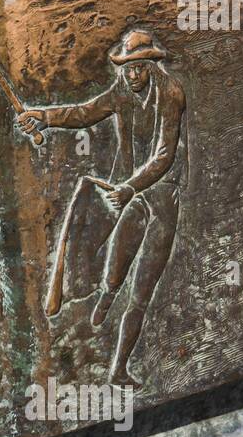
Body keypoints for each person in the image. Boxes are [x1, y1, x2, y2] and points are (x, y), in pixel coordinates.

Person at [18, 27, 187, 385]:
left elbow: (164, 155)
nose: (133, 75)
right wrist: (43, 117)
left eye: (140, 67)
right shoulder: (123, 91)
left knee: (142, 289)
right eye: (128, 68)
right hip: (131, 194)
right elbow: (85, 112)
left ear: (152, 65)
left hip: (161, 195)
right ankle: (108, 294)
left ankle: (119, 368)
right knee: (115, 267)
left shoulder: (170, 93)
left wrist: (129, 187)